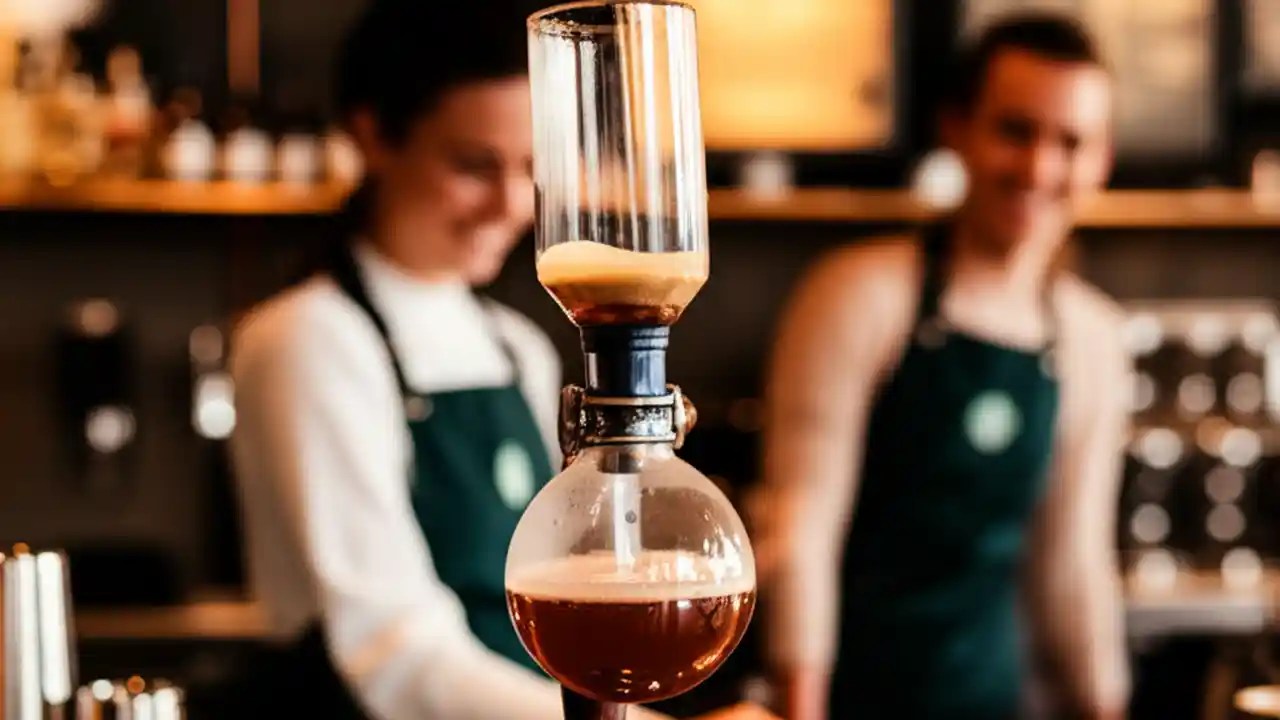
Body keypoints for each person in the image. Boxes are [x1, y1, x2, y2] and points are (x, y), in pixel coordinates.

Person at [230, 2, 775, 720]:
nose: (512, 203)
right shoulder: (309, 338)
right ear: (373, 137)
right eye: (474, 165)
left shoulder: (514, 344)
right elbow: (392, 653)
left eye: (531, 168)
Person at [759, 15, 1130, 720]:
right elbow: (801, 531)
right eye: (1015, 131)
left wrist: (1104, 706)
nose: (1039, 168)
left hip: (998, 698)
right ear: (957, 127)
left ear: (1102, 160)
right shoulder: (859, 294)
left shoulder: (1094, 337)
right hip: (852, 696)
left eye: (1071, 143)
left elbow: (1074, 566)